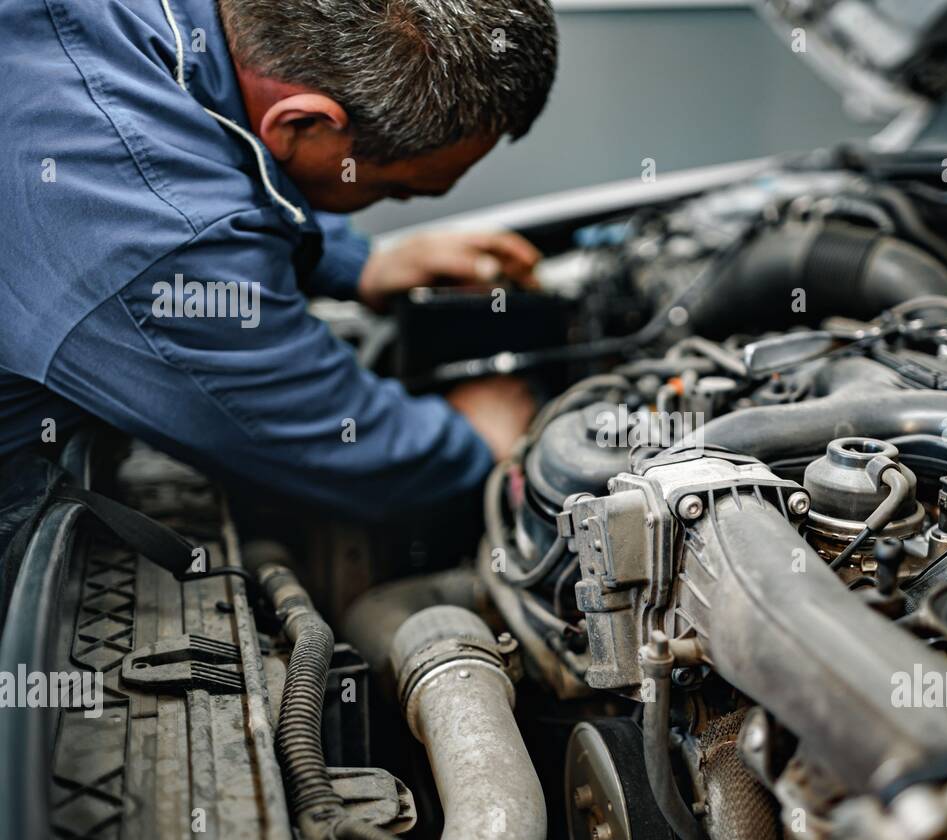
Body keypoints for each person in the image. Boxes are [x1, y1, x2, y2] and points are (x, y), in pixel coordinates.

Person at [0, 0, 558, 522]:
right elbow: (310, 441)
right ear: (300, 126)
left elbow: (207, 139)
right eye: (399, 191)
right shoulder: (150, 230)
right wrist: (469, 443)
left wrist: (353, 261)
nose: (398, 200)